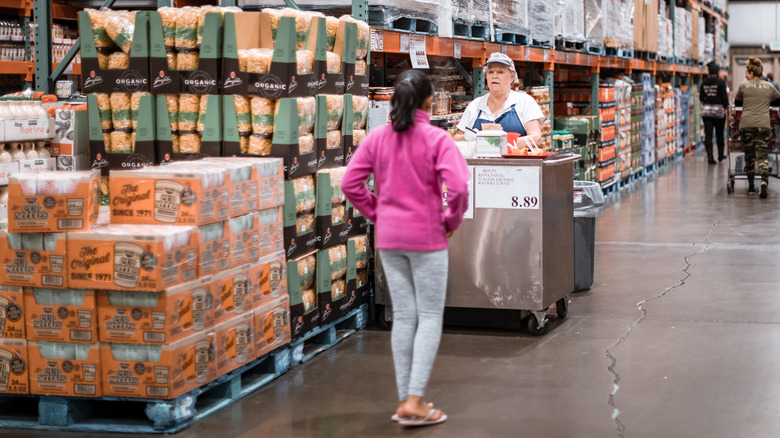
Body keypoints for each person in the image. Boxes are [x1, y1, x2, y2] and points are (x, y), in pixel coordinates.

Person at [341, 69, 470, 427]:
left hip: (390, 238)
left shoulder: (377, 138)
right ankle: (415, 400)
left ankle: (405, 400)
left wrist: (377, 213)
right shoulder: (438, 139)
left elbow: (350, 183)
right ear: (428, 101)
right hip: (427, 236)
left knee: (404, 314)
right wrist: (450, 220)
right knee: (428, 315)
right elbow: (459, 187)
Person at [454, 52, 545, 146]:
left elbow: (536, 138)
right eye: (490, 72)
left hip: (514, 156)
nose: (494, 76)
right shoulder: (475, 105)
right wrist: (468, 137)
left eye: (500, 72)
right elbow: (457, 138)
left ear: (512, 77)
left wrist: (499, 144)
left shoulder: (525, 102)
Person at [734, 57, 780, 198]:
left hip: (747, 125)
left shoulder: (743, 86)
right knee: (762, 156)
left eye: (746, 73)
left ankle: (751, 187)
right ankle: (764, 181)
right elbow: (778, 100)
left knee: (749, 157)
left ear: (752, 73)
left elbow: (737, 103)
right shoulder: (769, 86)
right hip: (763, 125)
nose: (745, 76)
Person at [700, 62, 729, 164]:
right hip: (719, 112)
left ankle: (710, 157)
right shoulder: (721, 82)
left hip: (707, 112)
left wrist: (708, 100)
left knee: (708, 135)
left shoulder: (704, 83)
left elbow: (701, 98)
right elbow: (724, 98)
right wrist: (727, 107)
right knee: (719, 134)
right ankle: (720, 155)